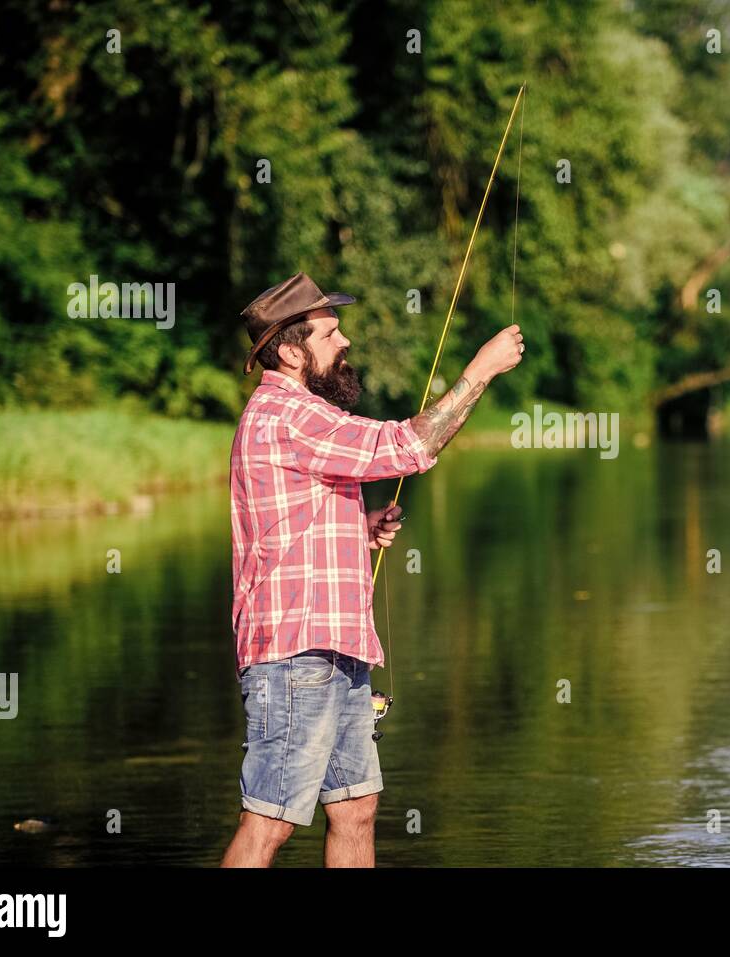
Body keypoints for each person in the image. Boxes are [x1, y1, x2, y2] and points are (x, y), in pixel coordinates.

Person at [221, 271, 523, 867]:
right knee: (270, 821)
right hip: (295, 655)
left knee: (356, 808)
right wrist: (481, 370)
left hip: (336, 651)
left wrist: (358, 531)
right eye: (331, 333)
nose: (345, 343)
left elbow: (285, 530)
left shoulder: (298, 414)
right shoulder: (288, 415)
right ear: (289, 350)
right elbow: (409, 447)